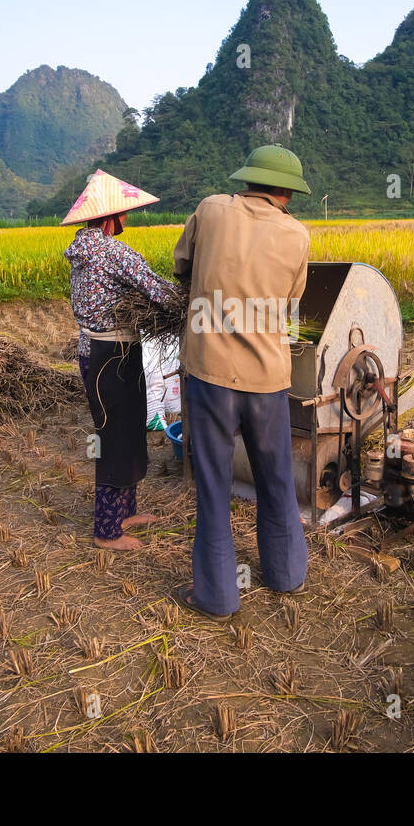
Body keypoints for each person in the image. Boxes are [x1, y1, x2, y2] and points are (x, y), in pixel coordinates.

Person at [170, 144, 311, 620]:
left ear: (247, 179)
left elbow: (181, 266)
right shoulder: (297, 235)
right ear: (287, 192)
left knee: (214, 485)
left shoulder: (210, 209)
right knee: (276, 477)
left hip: (211, 374)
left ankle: (216, 597)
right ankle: (286, 574)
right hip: (268, 378)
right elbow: (291, 304)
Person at [62, 170, 182, 551]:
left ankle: (125, 511)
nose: (127, 220)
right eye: (124, 214)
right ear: (111, 216)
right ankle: (106, 531)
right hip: (108, 356)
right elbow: (158, 291)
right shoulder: (112, 252)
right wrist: (196, 300)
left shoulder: (83, 246)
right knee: (113, 437)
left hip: (106, 352)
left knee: (128, 429)